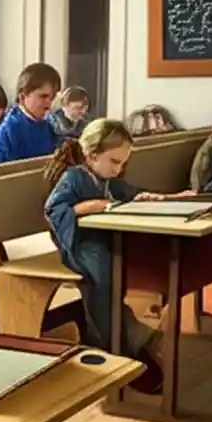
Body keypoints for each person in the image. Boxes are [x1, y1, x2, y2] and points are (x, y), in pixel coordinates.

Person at [43, 119, 168, 393]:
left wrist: (142, 197)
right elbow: (53, 210)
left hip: (100, 243)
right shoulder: (74, 177)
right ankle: (116, 346)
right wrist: (84, 208)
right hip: (80, 245)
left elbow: (127, 193)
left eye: (122, 163)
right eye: (114, 161)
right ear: (92, 155)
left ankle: (125, 342)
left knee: (115, 269)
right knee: (104, 274)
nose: (118, 169)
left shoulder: (106, 179)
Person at [0, 62, 61, 162]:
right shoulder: (10, 129)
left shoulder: (48, 125)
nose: (49, 105)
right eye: (43, 97)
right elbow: (1, 167)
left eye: (52, 98)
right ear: (23, 97)